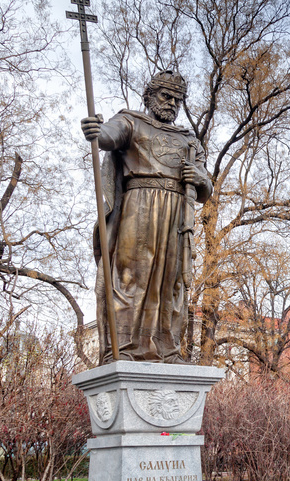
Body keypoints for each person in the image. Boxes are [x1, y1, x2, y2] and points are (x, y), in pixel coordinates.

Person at [81, 71, 212, 363]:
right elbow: (107, 137)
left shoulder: (189, 141)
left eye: (178, 99)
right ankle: (124, 349)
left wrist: (199, 178)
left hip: (177, 215)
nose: (172, 103)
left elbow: (207, 189)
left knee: (172, 282)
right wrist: (96, 130)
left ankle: (168, 349)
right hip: (138, 207)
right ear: (149, 96)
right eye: (166, 96)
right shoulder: (131, 122)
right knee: (130, 277)